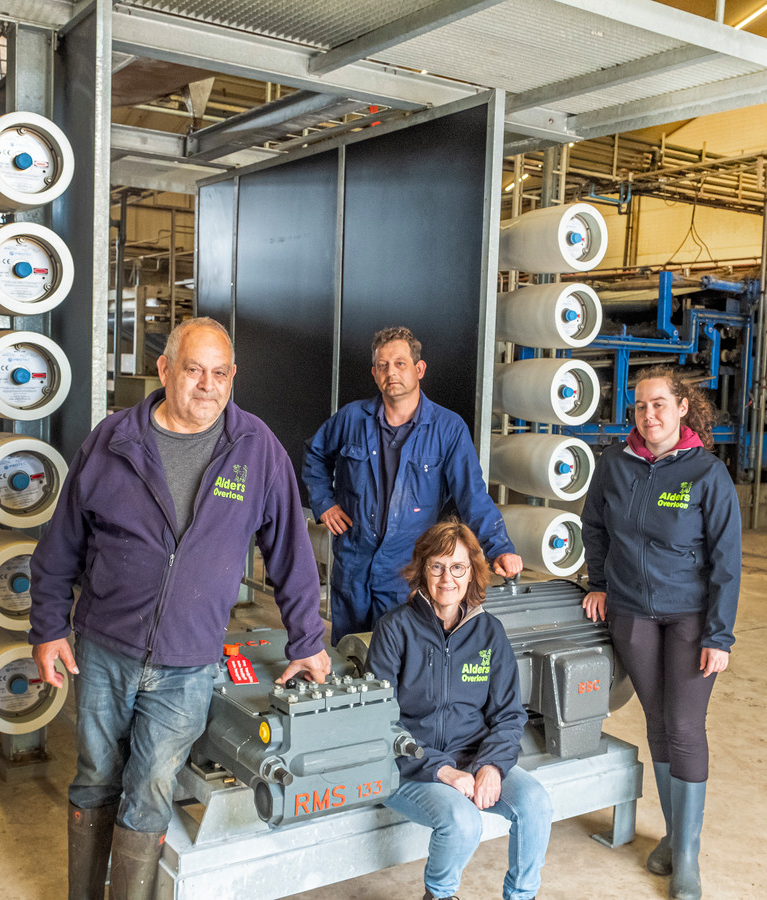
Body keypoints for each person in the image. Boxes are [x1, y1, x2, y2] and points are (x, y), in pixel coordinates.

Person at [28, 318, 330, 900]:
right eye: (193, 369)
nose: (207, 385)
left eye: (220, 373)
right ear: (165, 370)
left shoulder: (256, 448)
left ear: (233, 377)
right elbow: (60, 542)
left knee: (151, 788)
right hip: (104, 648)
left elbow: (291, 549)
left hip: (188, 661)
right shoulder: (113, 441)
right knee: (95, 778)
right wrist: (47, 626)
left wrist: (308, 638)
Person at [580, 365, 741, 900]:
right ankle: (672, 837)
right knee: (656, 722)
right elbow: (594, 524)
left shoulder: (706, 474)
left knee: (685, 726)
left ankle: (687, 859)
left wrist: (719, 635)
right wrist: (598, 582)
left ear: (680, 409)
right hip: (632, 613)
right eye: (640, 407)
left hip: (691, 616)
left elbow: (727, 561)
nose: (648, 415)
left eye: (658, 405)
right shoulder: (615, 465)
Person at [302, 326, 522, 643]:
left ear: (419, 369)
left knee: (399, 660)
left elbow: (472, 497)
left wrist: (499, 547)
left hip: (406, 572)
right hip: (353, 566)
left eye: (400, 363)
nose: (392, 372)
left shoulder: (447, 429)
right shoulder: (352, 418)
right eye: (383, 365)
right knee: (347, 656)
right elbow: (315, 454)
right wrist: (324, 503)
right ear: (375, 373)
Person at [368, 521, 551, 900]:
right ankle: (439, 895)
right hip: (407, 768)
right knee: (463, 821)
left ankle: (522, 895)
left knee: (535, 802)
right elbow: (378, 720)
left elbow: (509, 714)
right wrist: (441, 769)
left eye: (457, 567)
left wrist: (491, 766)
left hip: (473, 760)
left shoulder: (489, 633)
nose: (446, 578)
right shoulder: (394, 630)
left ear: (472, 574)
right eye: (436, 566)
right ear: (422, 570)